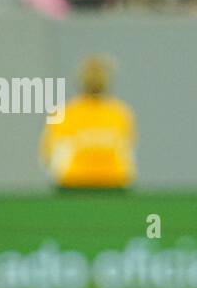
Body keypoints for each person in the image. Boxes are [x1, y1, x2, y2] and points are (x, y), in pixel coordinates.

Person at [39, 55, 137, 190]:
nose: (95, 79)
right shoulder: (64, 113)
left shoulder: (120, 113)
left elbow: (47, 156)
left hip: (113, 184)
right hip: (73, 185)